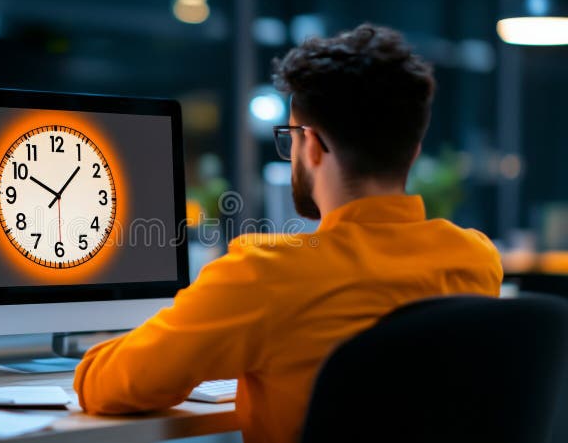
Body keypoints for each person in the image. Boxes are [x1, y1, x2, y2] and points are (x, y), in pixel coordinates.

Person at [74, 23, 502, 443]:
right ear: (414, 150)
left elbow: (106, 386)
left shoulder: (266, 274)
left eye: (291, 137)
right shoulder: (476, 261)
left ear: (311, 145)